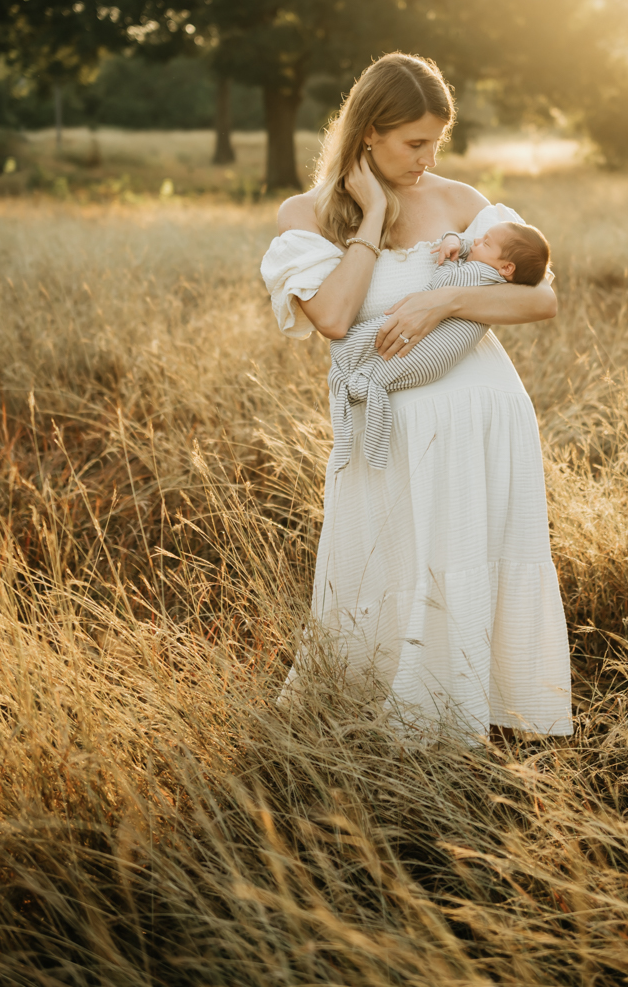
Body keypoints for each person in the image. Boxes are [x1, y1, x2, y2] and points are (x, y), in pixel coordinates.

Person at [260, 52, 572, 740]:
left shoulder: (464, 202)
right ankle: (394, 717)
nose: (427, 158)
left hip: (487, 419)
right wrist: (372, 217)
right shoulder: (305, 215)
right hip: (391, 431)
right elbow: (336, 319)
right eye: (412, 143)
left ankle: (489, 715)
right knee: (388, 558)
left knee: (473, 554)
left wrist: (446, 302)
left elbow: (542, 299)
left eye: (437, 141)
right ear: (368, 131)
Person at [327, 220, 553, 472]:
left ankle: (354, 376)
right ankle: (366, 384)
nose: (476, 242)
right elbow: (475, 248)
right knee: (385, 366)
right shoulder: (502, 281)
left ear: (506, 267)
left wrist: (449, 257)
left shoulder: (477, 272)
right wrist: (459, 241)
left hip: (434, 353)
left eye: (484, 243)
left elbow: (440, 285)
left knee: (375, 337)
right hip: (437, 363)